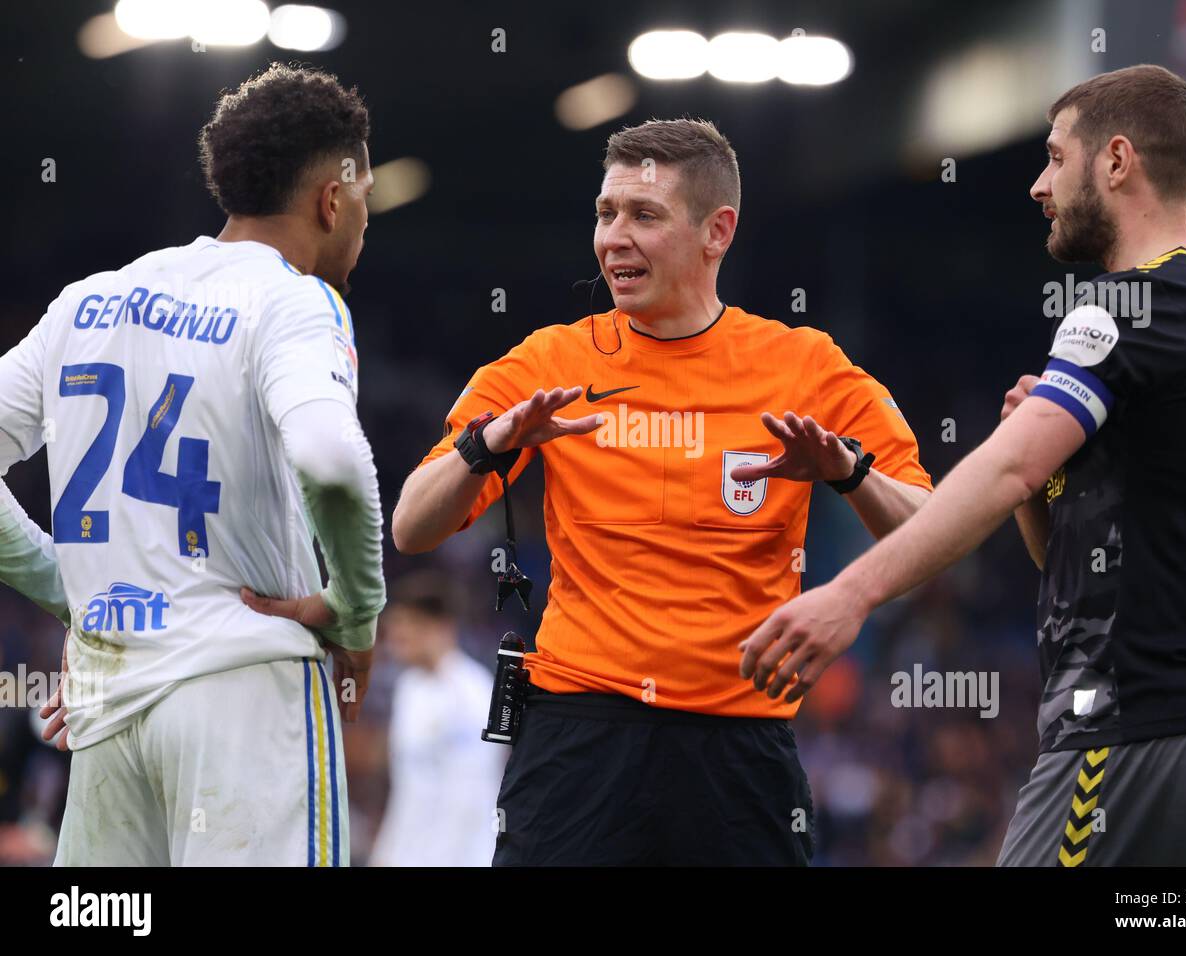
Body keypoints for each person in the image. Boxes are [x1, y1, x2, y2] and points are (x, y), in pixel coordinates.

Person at [741, 64, 1186, 866]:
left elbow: (1004, 473)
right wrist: (1046, 482)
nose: (1037, 185)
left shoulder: (1127, 306)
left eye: (1056, 158)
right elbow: (1059, 545)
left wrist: (848, 593)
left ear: (1118, 160)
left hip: (1130, 733)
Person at [393, 117, 933, 865]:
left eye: (644, 215)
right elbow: (411, 526)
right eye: (605, 213)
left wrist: (849, 472)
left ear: (717, 231)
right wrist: (488, 444)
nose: (614, 236)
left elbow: (934, 533)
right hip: (578, 735)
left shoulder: (804, 366)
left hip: (738, 747)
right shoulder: (549, 362)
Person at [0, 63, 386, 865]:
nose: (365, 219)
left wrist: (62, 586)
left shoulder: (87, 301)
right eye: (368, 197)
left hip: (106, 704)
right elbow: (334, 462)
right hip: (244, 688)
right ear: (332, 199)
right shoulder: (294, 302)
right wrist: (355, 610)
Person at [370, 571, 504, 866]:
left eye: (406, 629)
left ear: (439, 627)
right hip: (410, 855)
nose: (395, 641)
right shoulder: (410, 689)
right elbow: (407, 788)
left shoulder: (472, 694)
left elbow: (469, 797)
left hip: (463, 857)